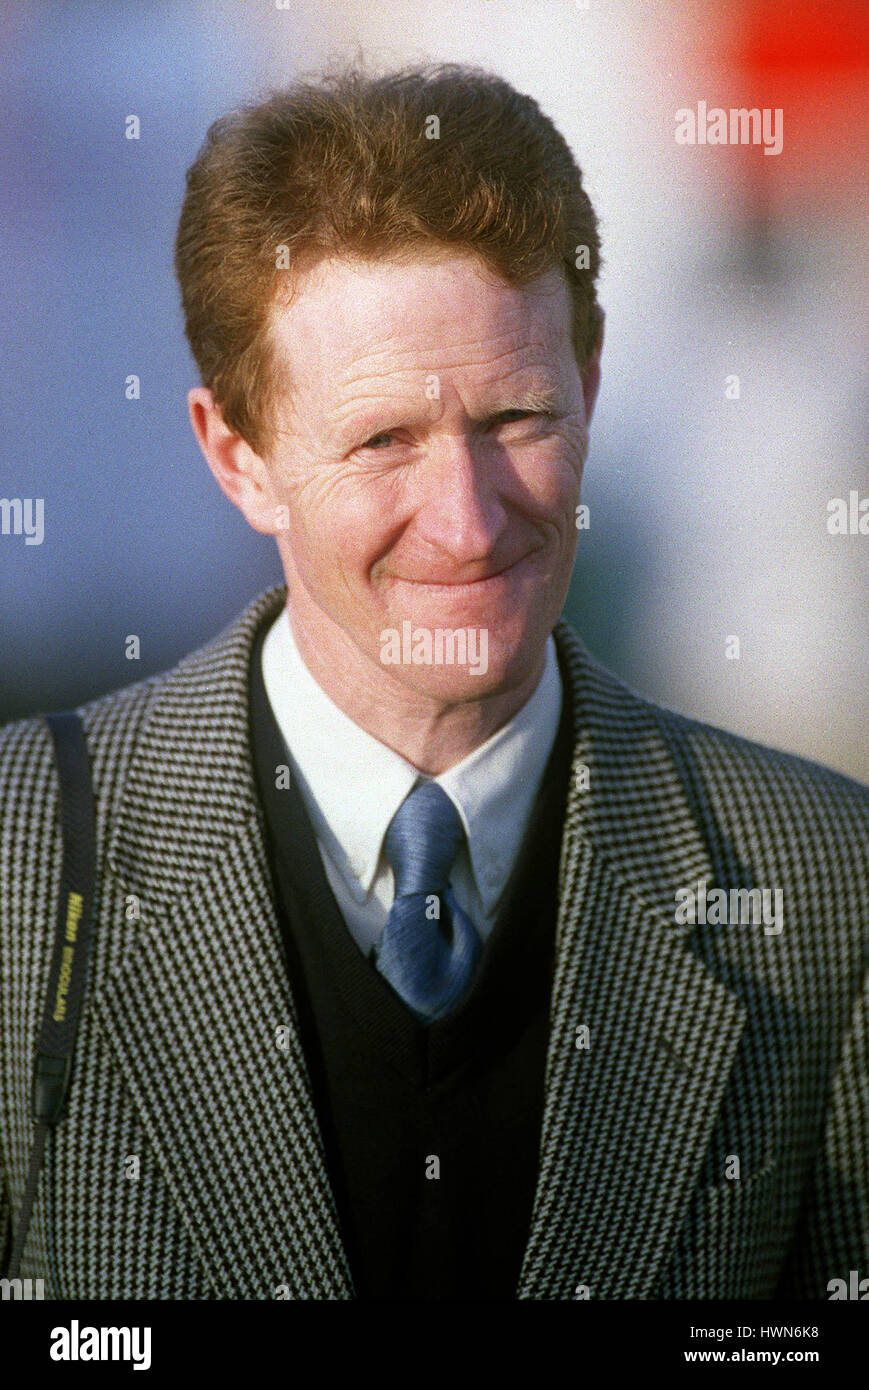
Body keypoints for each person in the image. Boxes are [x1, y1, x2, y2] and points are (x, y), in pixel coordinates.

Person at [1, 63, 866, 1302]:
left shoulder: (826, 890)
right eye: (382, 442)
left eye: (516, 419)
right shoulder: (22, 867)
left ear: (591, 388)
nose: (466, 524)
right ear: (236, 457)